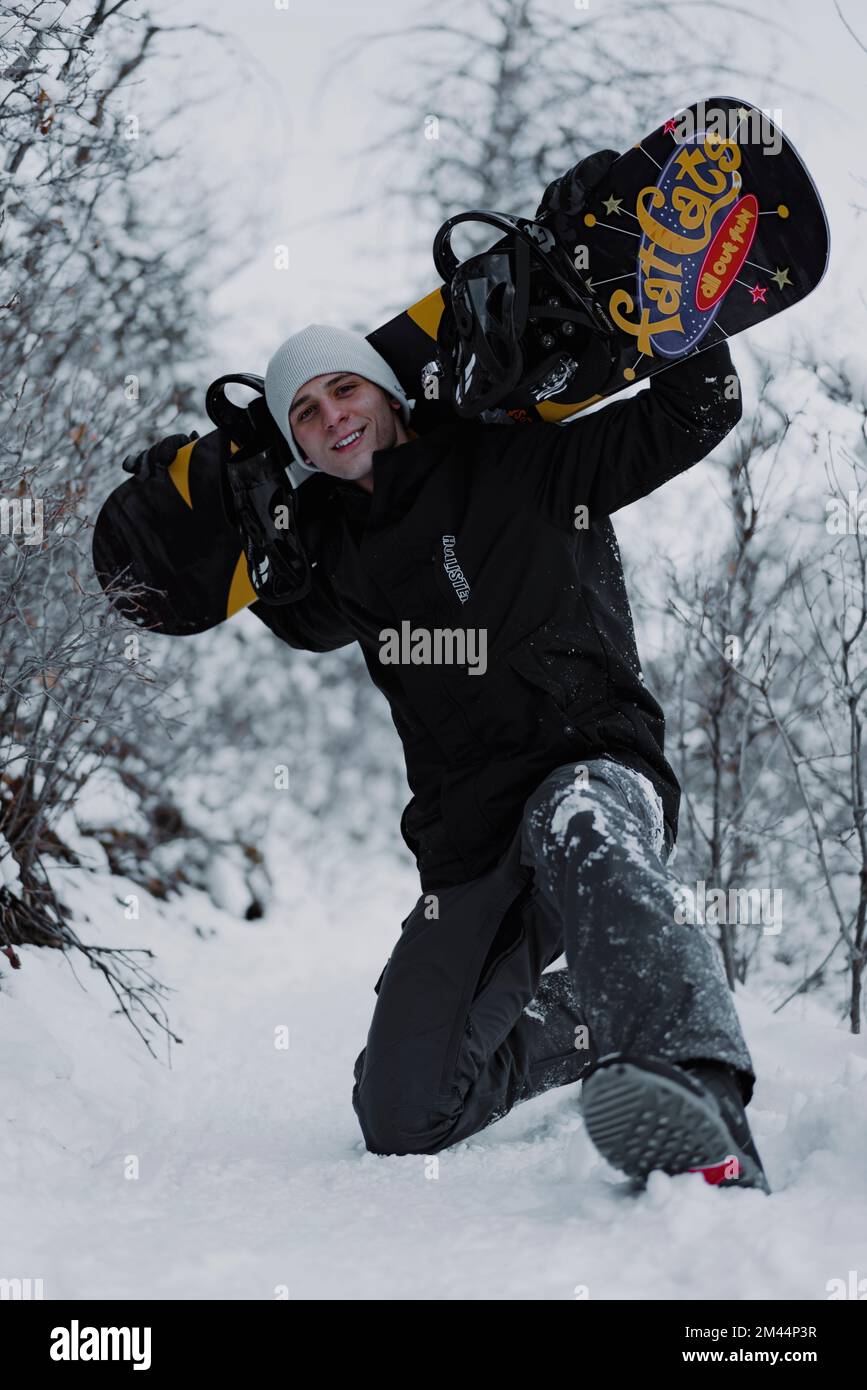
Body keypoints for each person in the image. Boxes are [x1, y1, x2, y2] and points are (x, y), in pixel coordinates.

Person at [137, 157, 769, 1193]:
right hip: (471, 842)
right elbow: (274, 610)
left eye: (345, 388)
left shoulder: (520, 458)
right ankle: (578, 1024)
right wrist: (195, 519)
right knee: (401, 1113)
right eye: (306, 411)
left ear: (384, 394)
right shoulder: (333, 558)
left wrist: (668, 295)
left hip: (590, 765)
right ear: (296, 441)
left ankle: (693, 1084)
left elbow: (698, 409)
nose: (331, 415)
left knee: (591, 834)